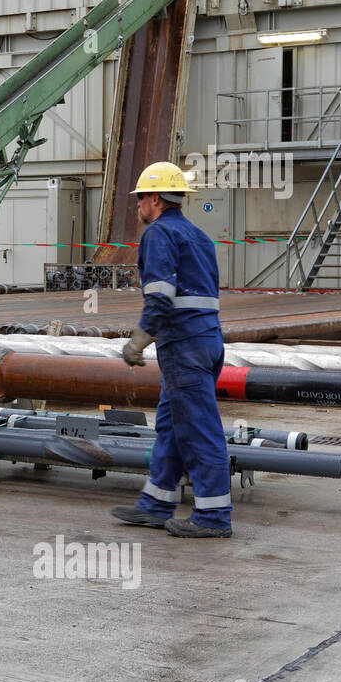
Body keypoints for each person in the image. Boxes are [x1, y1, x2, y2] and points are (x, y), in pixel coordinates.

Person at [110, 161, 234, 538]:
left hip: (184, 348)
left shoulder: (159, 234)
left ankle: (213, 517)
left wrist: (137, 341)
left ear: (154, 199)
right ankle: (156, 503)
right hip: (207, 343)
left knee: (199, 431)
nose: (137, 207)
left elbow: (161, 296)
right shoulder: (199, 236)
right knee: (171, 426)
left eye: (140, 199)